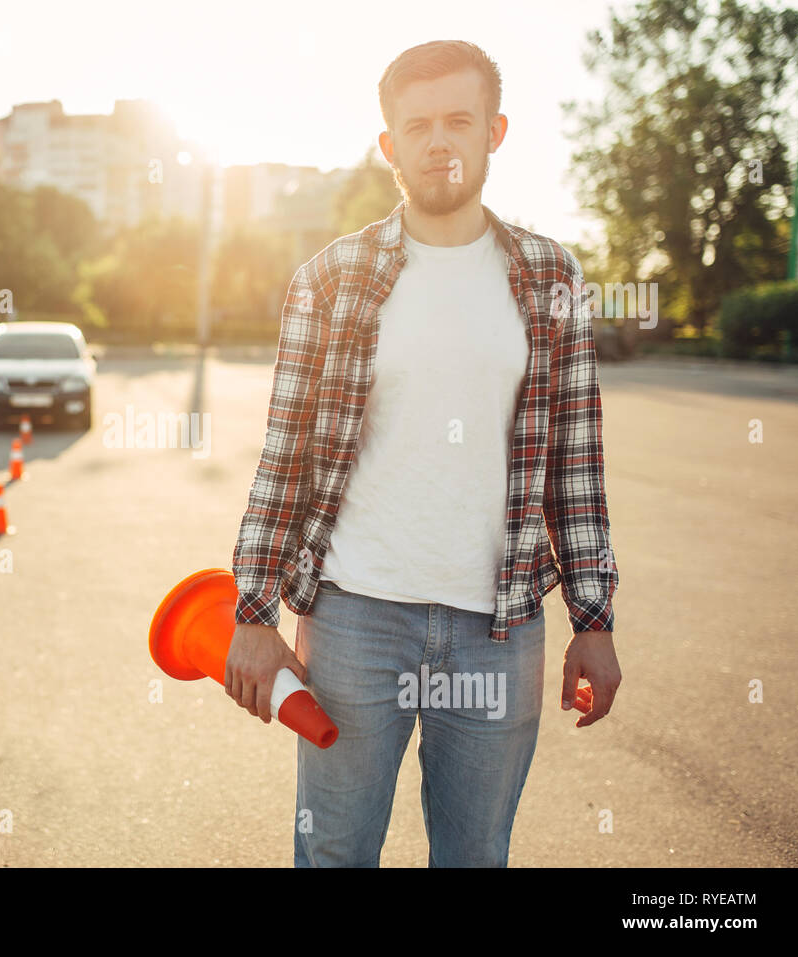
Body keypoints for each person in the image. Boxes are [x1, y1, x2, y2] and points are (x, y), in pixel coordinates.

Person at [226, 39, 622, 867]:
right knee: (334, 852)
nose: (439, 141)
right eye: (418, 125)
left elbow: (575, 468)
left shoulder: (551, 275)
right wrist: (254, 610)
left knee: (475, 856)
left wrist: (594, 617)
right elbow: (284, 456)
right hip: (354, 619)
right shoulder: (331, 278)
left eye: (458, 120)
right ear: (389, 146)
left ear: (495, 131)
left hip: (499, 628)